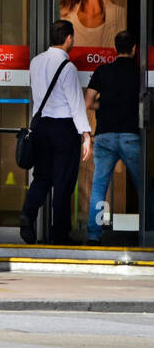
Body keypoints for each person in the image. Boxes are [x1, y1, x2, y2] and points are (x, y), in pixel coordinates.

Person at [20, 20, 93, 244]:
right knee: (63, 181)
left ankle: (27, 214)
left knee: (42, 177)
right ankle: (59, 233)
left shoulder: (35, 62)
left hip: (41, 126)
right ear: (69, 37)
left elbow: (37, 96)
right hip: (63, 128)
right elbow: (75, 103)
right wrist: (86, 134)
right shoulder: (68, 68)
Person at [84, 31, 142, 244]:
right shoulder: (140, 73)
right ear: (134, 49)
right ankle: (150, 232)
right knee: (143, 187)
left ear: (115, 48)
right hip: (130, 135)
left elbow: (88, 102)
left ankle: (93, 235)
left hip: (105, 135)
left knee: (100, 186)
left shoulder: (103, 70)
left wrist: (104, 105)